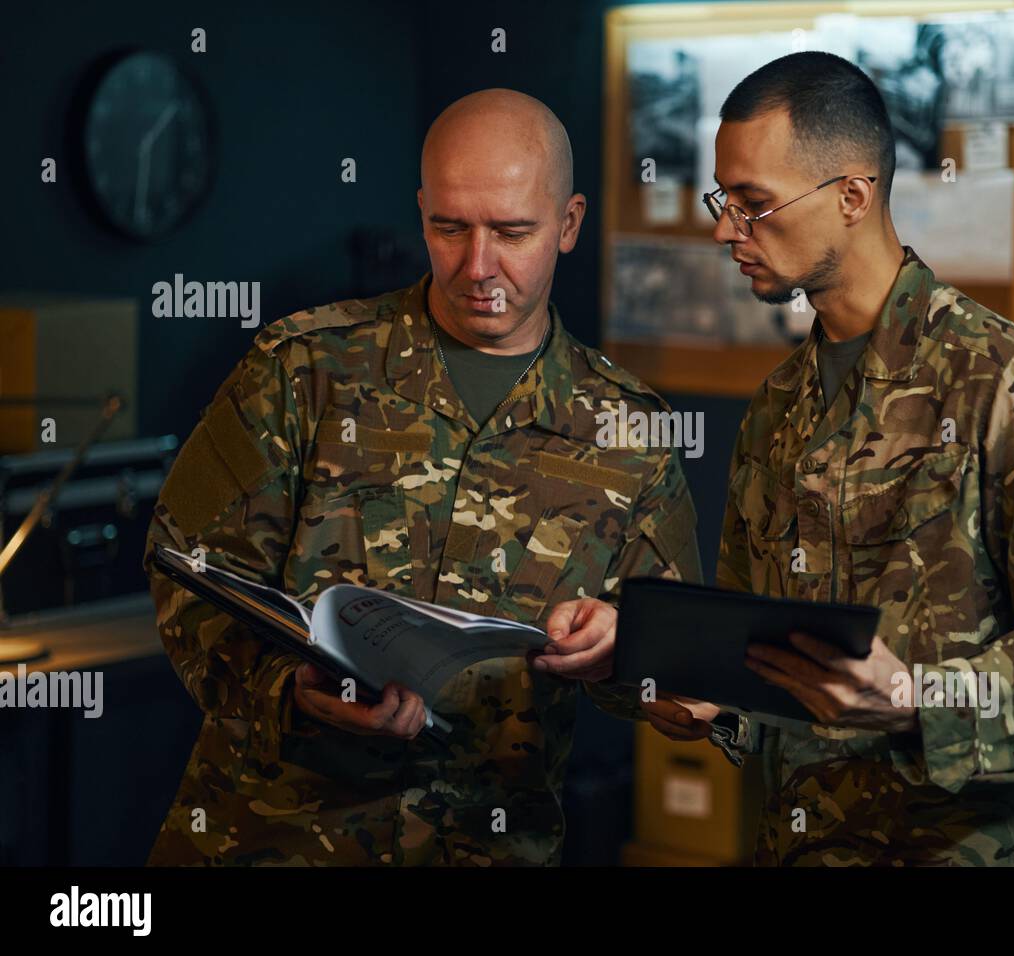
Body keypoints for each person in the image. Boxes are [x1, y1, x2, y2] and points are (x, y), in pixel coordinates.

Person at [142, 88, 700, 866]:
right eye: (449, 228)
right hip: (267, 841)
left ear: (569, 225)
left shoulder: (632, 431)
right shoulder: (304, 368)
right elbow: (187, 567)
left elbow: (676, 677)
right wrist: (287, 694)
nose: (478, 267)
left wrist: (625, 652)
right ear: (421, 211)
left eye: (512, 232)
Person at [638, 51, 1014, 865]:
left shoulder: (1006, 379)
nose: (725, 228)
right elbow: (766, 661)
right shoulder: (775, 409)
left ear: (852, 196)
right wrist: (708, 700)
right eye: (722, 198)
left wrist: (914, 700)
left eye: (752, 202)